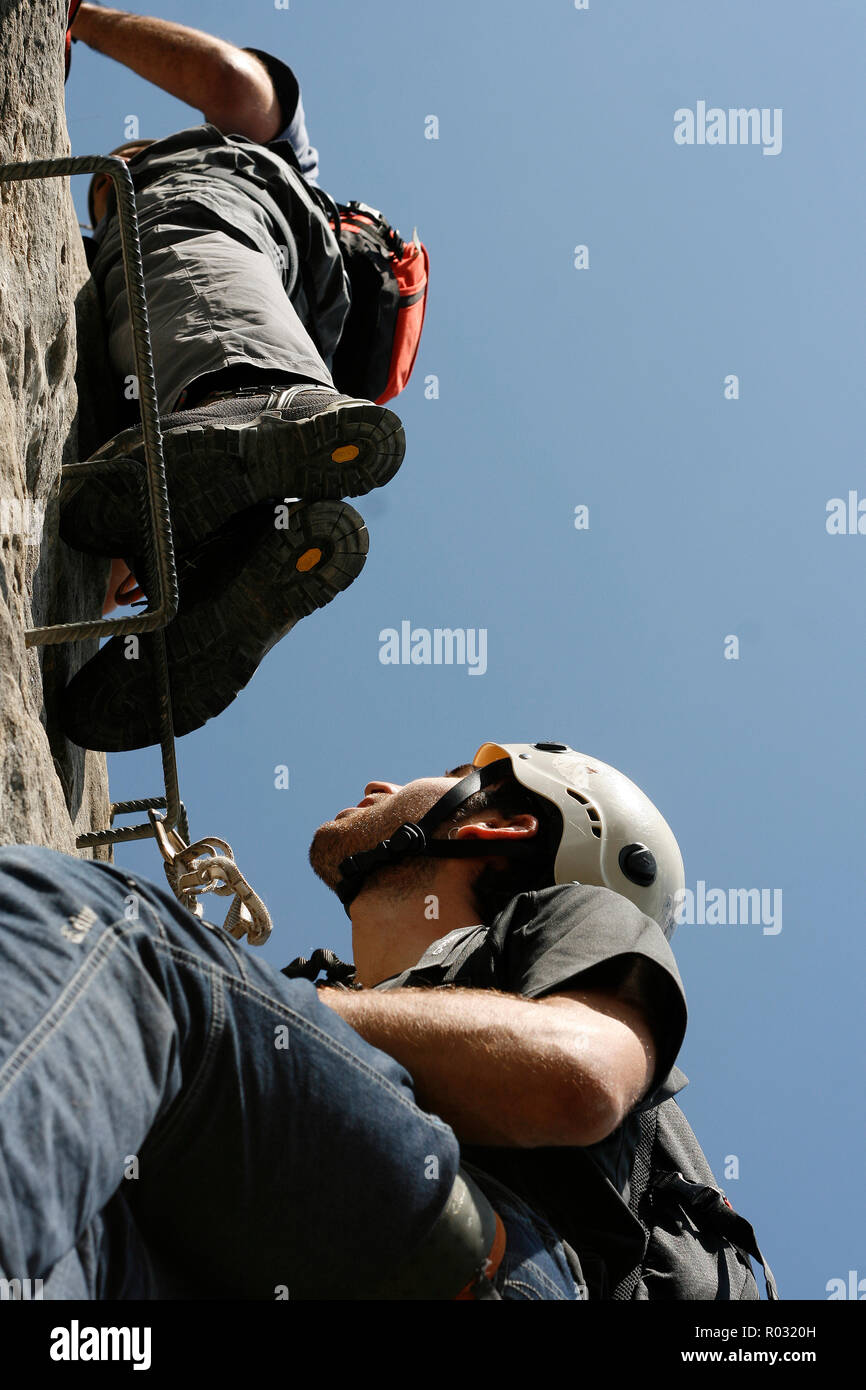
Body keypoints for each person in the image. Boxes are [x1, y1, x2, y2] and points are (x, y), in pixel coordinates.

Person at [0, 737, 755, 1301]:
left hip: (502, 1263)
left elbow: (581, 1078)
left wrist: (256, 1005)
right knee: (75, 1260)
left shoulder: (568, 917)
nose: (379, 783)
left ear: (501, 825)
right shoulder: (361, 1008)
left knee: (116, 935)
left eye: (457, 775)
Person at [59, 6, 414, 752]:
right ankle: (221, 563)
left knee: (181, 233)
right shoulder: (170, 286)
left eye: (106, 186)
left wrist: (80, 16)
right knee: (219, 492)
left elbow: (231, 79)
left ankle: (247, 400)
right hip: (290, 325)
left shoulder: (232, 159)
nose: (104, 200)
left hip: (238, 237)